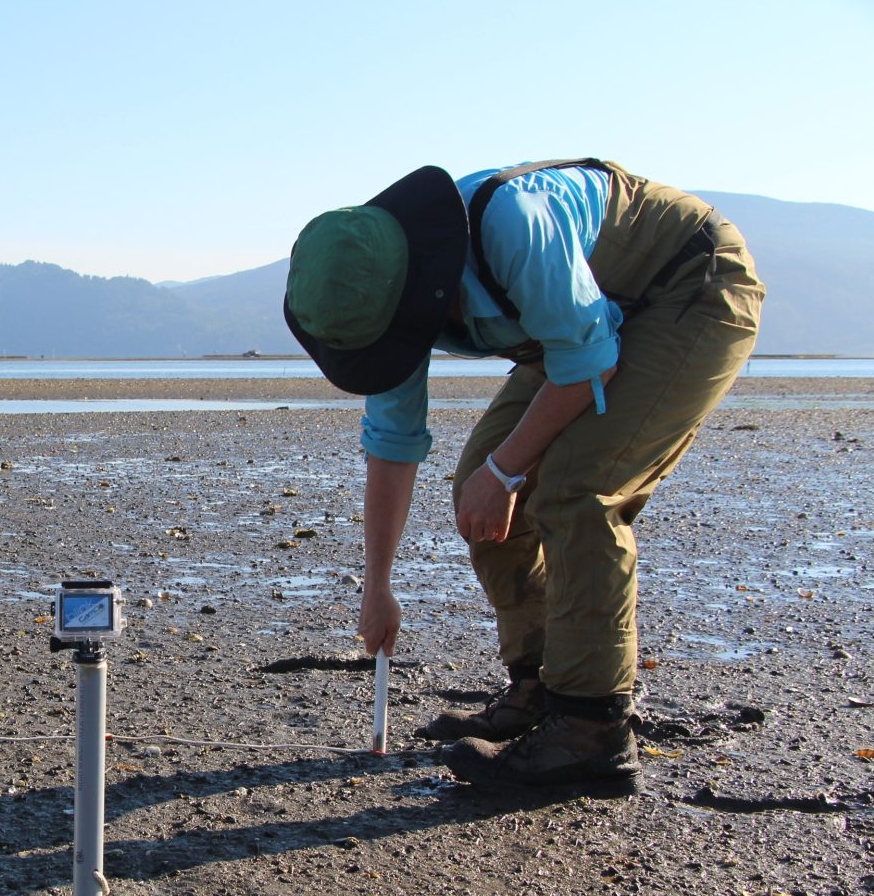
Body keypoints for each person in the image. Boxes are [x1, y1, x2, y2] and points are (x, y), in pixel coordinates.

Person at [284, 159, 764, 795]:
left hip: (688, 287)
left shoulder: (513, 225)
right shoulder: (380, 297)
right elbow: (393, 445)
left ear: (420, 285)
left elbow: (588, 361)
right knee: (477, 495)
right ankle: (539, 688)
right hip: (577, 331)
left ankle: (591, 729)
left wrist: (508, 469)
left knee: (575, 489)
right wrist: (377, 587)